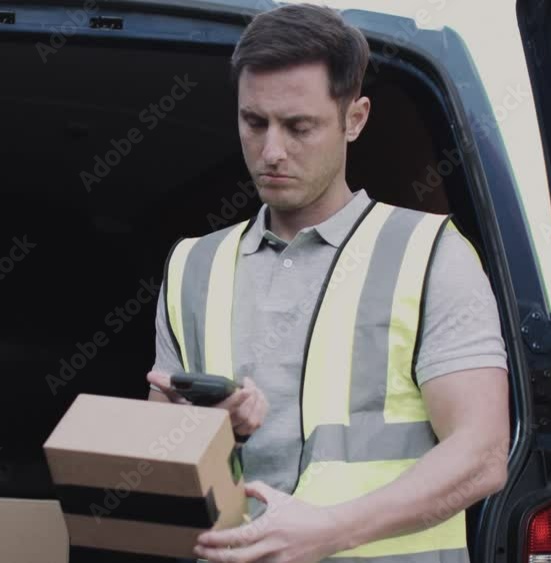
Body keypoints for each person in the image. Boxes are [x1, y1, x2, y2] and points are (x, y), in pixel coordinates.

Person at [146, 4, 510, 562]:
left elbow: (481, 454)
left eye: (299, 127)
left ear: (354, 119)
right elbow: (152, 467)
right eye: (254, 123)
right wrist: (210, 430)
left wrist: (331, 531)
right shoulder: (192, 265)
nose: (272, 151)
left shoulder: (430, 254)